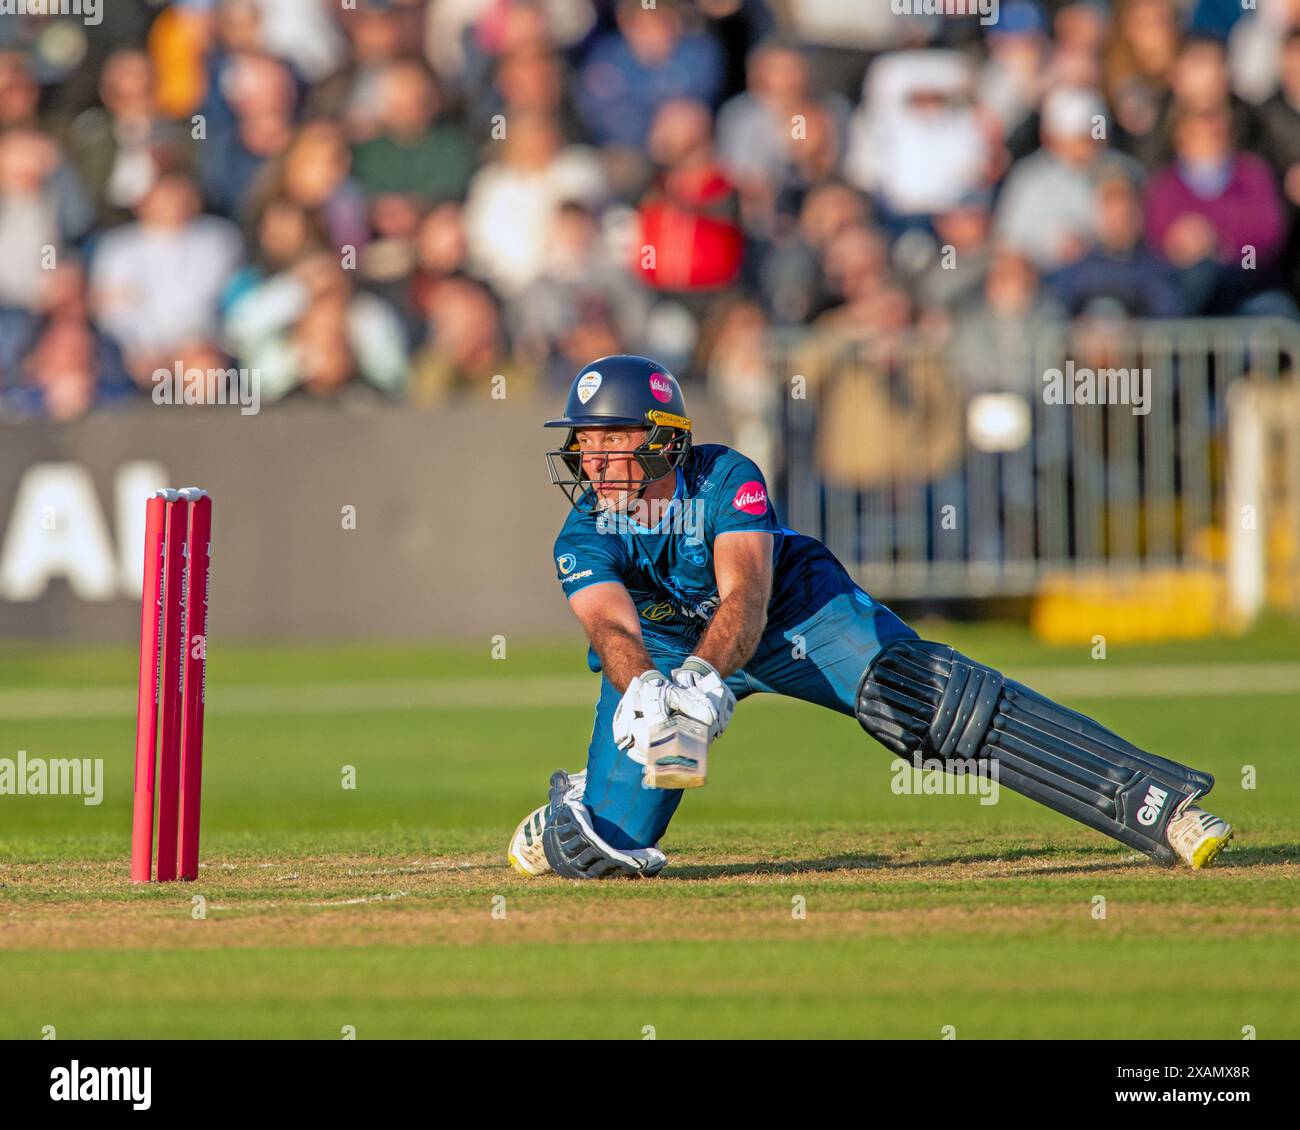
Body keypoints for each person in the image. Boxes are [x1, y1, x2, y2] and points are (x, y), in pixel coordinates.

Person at [507, 354, 1235, 879]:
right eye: (584, 440)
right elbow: (610, 628)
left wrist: (704, 675)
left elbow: (747, 596)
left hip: (796, 617)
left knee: (932, 707)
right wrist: (644, 691)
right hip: (665, 656)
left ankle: (1154, 801)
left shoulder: (727, 477)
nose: (591, 457)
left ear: (664, 438)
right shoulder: (583, 531)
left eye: (611, 437)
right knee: (599, 850)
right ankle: (581, 797)